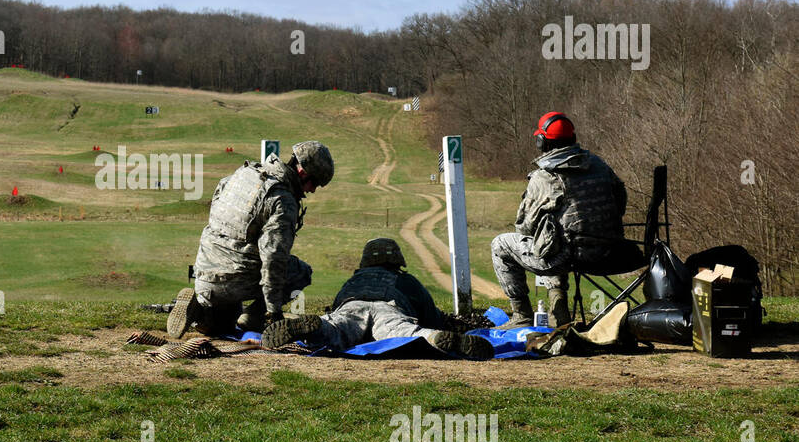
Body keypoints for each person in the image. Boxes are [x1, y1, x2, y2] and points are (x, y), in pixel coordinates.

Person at [167, 141, 334, 338]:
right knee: (300, 271)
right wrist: (274, 312)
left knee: (224, 327)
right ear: (303, 172)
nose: (312, 191)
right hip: (236, 277)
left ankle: (200, 313)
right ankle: (257, 316)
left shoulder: (243, 173)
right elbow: (274, 258)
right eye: (314, 183)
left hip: (205, 271)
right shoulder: (282, 199)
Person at [492, 111, 627, 328]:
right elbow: (620, 201)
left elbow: (524, 226)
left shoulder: (543, 177)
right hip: (612, 252)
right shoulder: (599, 165)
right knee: (557, 237)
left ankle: (522, 316)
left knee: (502, 245)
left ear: (542, 142)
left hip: (569, 257)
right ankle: (557, 309)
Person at [260, 238, 494, 359]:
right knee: (404, 334)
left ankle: (315, 328)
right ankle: (434, 339)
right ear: (397, 260)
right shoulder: (405, 279)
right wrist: (438, 327)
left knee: (337, 329)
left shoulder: (355, 278)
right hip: (388, 307)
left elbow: (339, 303)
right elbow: (429, 311)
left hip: (353, 303)